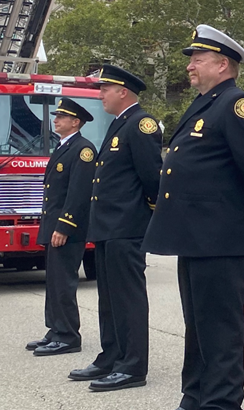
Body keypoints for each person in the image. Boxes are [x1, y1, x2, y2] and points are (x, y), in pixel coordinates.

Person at [142, 25, 244, 410]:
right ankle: (194, 395)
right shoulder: (204, 104)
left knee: (221, 329)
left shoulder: (236, 104)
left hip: (220, 238)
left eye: (197, 59)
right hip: (194, 238)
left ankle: (222, 401)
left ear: (222, 64)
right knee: (197, 326)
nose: (190, 66)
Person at [69, 65, 162, 391]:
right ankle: (111, 356)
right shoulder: (120, 125)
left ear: (123, 91)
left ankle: (133, 365)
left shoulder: (141, 124)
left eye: (105, 89)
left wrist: (142, 219)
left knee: (128, 298)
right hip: (109, 227)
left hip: (127, 226)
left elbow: (153, 178)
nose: (101, 94)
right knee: (108, 298)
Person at [27, 98, 97, 357]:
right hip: (54, 225)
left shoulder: (83, 150)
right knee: (54, 281)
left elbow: (79, 193)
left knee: (64, 283)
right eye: (56, 116)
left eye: (61, 117)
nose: (55, 120)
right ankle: (55, 329)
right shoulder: (64, 146)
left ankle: (68, 335)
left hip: (68, 229)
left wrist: (64, 226)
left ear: (75, 122)